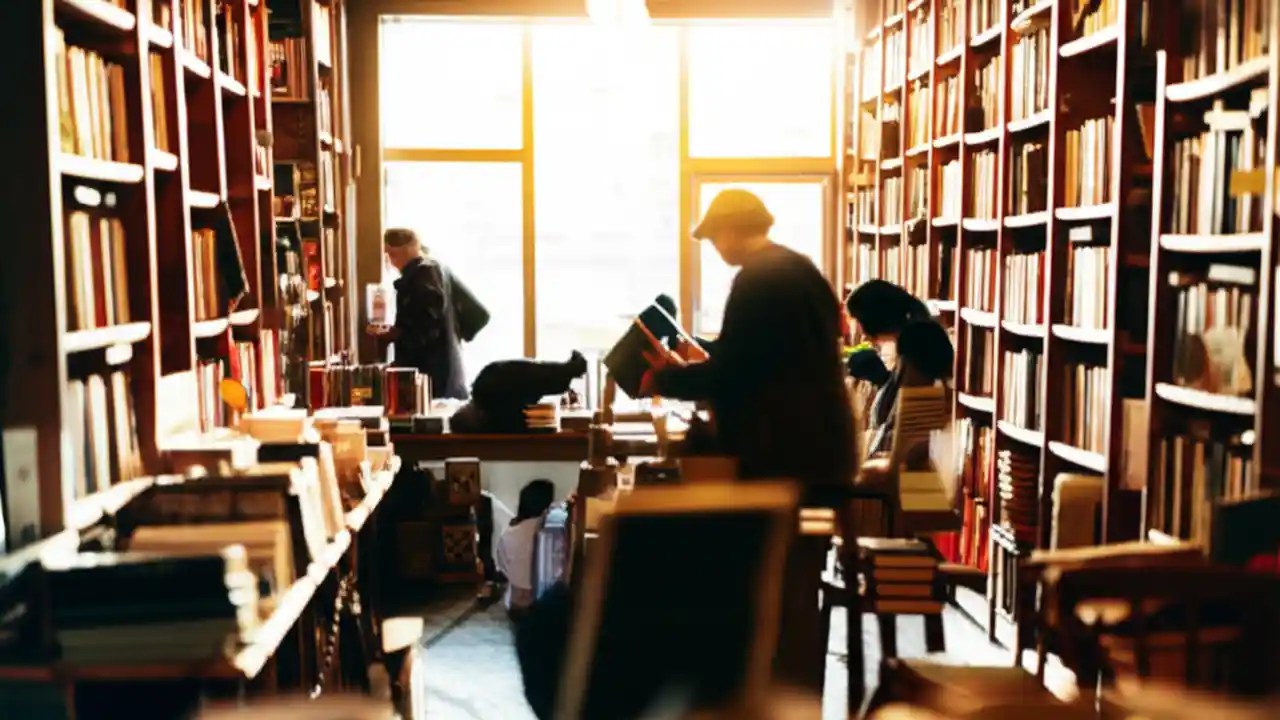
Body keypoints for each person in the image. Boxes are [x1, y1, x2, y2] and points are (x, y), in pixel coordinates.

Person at [640, 189, 854, 502]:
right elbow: (770, 355)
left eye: (714, 238)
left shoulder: (757, 279)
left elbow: (733, 374)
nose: (716, 247)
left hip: (784, 451)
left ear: (729, 230)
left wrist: (663, 380)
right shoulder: (801, 268)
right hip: (825, 443)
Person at [844, 279, 953, 456]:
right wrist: (885, 381)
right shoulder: (912, 338)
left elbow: (907, 416)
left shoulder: (917, 342)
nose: (863, 336)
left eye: (860, 323)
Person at [368, 228, 469, 400]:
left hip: (430, 374)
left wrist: (396, 334)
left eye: (392, 255)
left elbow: (426, 326)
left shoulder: (422, 274)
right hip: (442, 370)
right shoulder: (434, 270)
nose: (391, 262)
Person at [496, 479, 557, 618]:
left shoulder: (509, 533)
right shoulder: (552, 532)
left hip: (516, 604)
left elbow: (503, 566)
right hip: (543, 605)